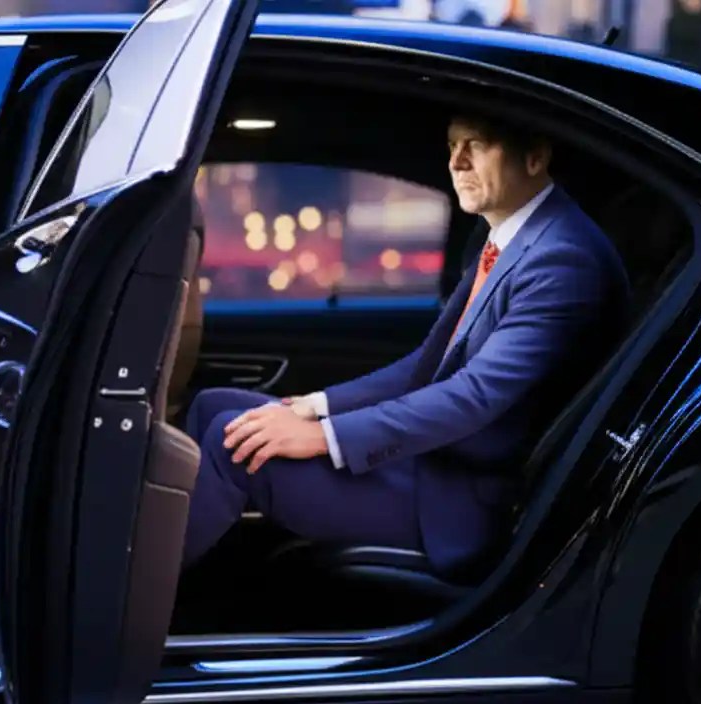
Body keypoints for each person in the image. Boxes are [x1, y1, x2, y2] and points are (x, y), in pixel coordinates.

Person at [180, 112, 630, 576]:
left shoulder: (562, 259)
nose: (457, 161)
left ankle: (126, 610)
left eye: (476, 145)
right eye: (452, 145)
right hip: (438, 462)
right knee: (212, 406)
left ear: (535, 156)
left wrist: (323, 437)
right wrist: (318, 406)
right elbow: (430, 363)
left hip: (464, 499)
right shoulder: (509, 238)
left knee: (228, 442)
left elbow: (473, 395)